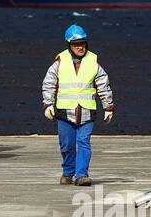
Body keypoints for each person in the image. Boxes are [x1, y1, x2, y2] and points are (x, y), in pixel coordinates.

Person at [42, 24, 115, 186]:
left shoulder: (93, 62)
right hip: (64, 111)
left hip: (87, 111)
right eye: (76, 44)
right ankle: (68, 172)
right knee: (67, 144)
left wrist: (108, 106)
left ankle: (82, 174)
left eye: (82, 43)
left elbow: (103, 85)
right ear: (69, 45)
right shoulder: (59, 62)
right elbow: (49, 83)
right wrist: (48, 104)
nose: (80, 47)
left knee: (83, 142)